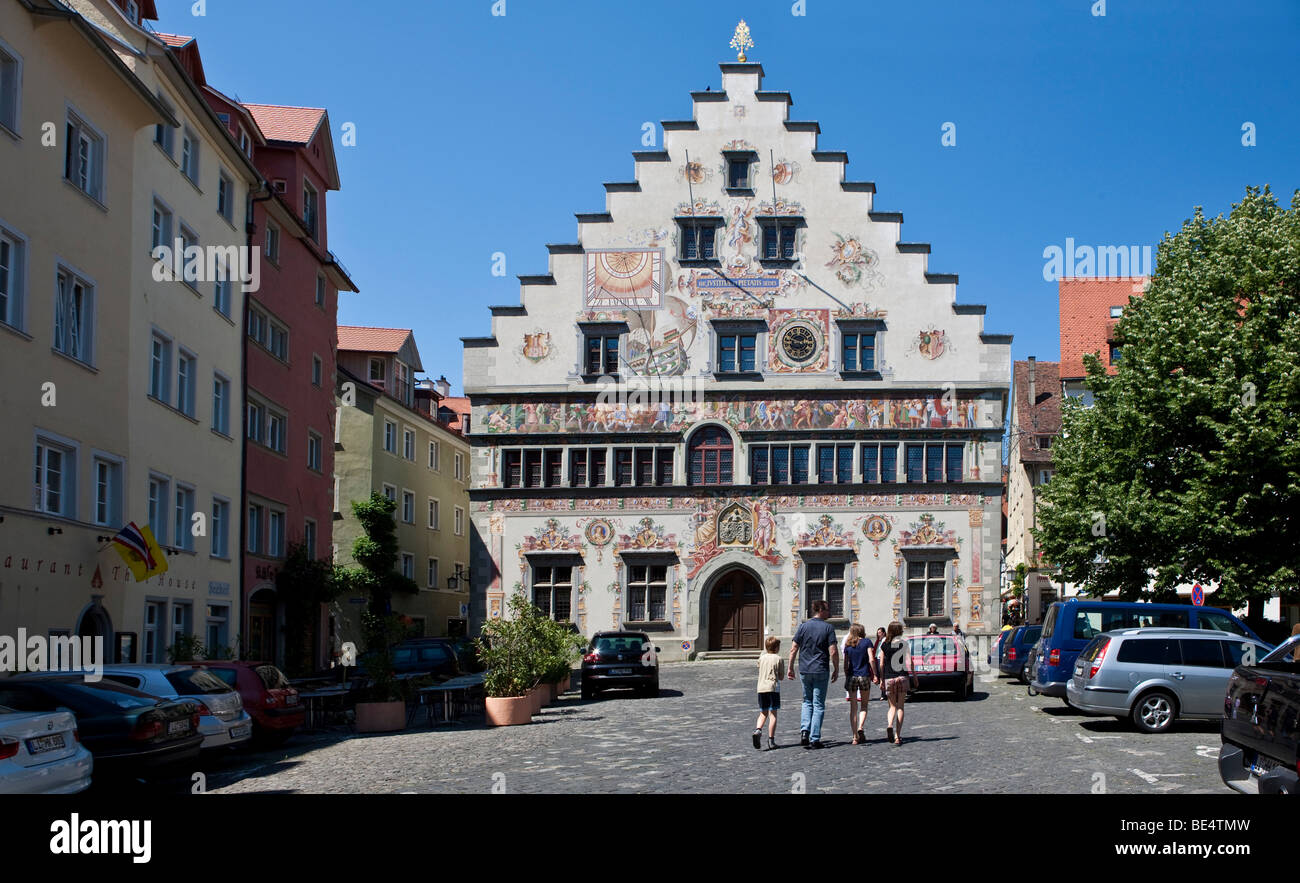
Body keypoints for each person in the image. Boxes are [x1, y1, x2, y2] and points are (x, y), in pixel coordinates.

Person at [788, 599, 839, 749]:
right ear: (821, 610)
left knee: (806, 701)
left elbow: (793, 648)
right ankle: (814, 738)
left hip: (805, 669)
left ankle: (804, 731)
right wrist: (836, 668)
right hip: (821, 669)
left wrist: (790, 667)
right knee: (818, 704)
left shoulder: (803, 626)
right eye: (827, 609)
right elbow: (833, 651)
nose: (829, 612)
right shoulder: (828, 628)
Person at [877, 621, 918, 745]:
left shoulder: (884, 644)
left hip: (889, 678)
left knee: (892, 707)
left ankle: (889, 724)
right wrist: (914, 677)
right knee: (900, 707)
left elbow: (882, 664)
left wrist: (881, 680)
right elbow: (909, 662)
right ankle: (897, 736)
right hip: (902, 677)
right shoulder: (904, 644)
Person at [842, 624, 878, 744]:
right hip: (864, 676)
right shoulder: (867, 642)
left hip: (852, 676)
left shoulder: (848, 645)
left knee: (853, 708)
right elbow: (871, 659)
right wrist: (875, 674)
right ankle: (860, 727)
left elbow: (846, 664)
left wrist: (847, 675)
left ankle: (854, 737)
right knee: (864, 705)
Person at [754, 636, 786, 750]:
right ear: (777, 647)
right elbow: (781, 677)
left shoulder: (761, 658)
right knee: (773, 715)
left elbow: (759, 668)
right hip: (773, 688)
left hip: (761, 688)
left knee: (763, 713)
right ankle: (771, 740)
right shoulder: (778, 659)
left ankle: (758, 730)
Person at [875, 627, 889, 700]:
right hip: (878, 659)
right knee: (881, 676)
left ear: (883, 633)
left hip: (882, 659)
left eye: (880, 633)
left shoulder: (885, 640)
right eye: (878, 633)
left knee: (882, 676)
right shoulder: (879, 641)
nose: (878, 634)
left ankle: (884, 694)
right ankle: (883, 693)